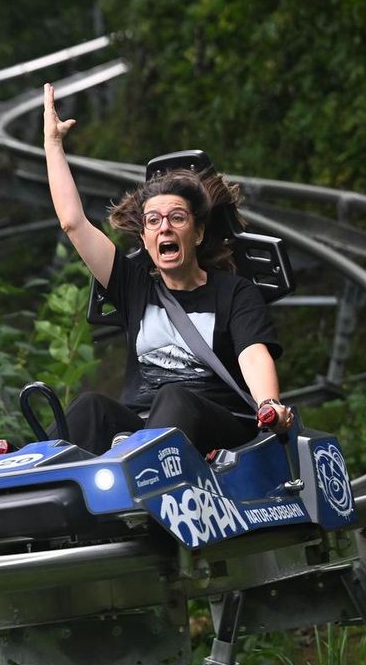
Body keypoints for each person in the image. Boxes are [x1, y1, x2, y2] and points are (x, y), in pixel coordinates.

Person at [42, 82, 293, 456]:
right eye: (154, 221)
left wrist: (268, 404)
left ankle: (135, 461)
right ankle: (23, 472)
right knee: (91, 407)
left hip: (217, 423)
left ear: (198, 232)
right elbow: (73, 224)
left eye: (177, 218)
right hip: (140, 428)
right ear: (144, 238)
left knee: (175, 397)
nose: (165, 228)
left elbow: (253, 354)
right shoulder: (134, 287)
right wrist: (53, 146)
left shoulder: (234, 292)